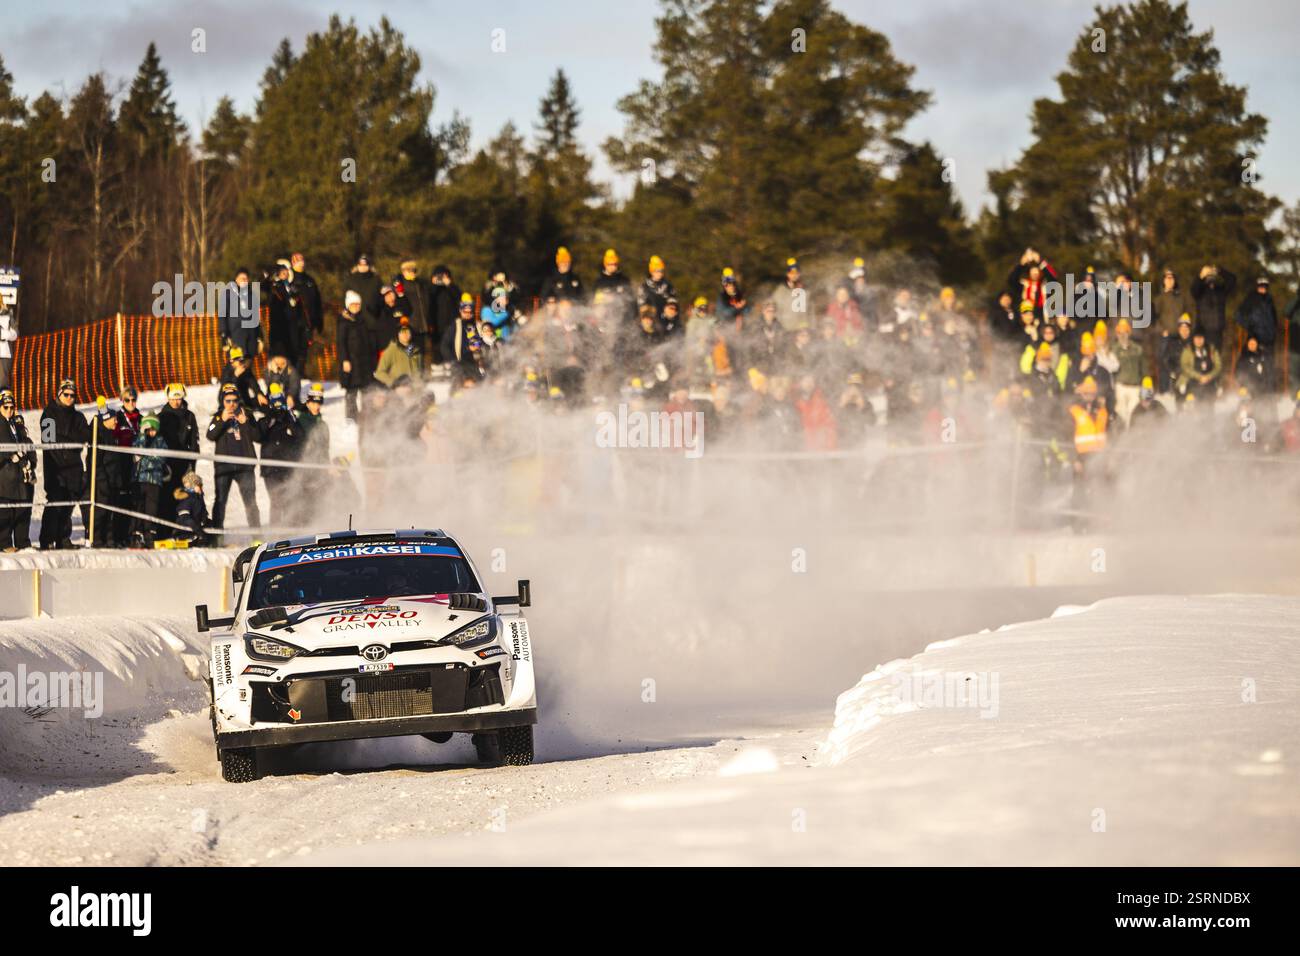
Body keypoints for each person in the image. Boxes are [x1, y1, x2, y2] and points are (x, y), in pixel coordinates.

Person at [39, 379, 90, 549]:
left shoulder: (78, 417)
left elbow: (86, 436)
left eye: (72, 395)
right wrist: (71, 442)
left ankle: (63, 538)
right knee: (55, 502)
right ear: (59, 394)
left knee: (68, 503)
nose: (69, 398)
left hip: (74, 467)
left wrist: (70, 442)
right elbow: (48, 440)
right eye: (66, 394)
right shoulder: (48, 413)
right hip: (55, 466)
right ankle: (46, 539)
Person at [207, 384, 262, 532]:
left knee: (250, 502)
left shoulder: (247, 415)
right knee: (220, 501)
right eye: (228, 401)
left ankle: (256, 536)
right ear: (222, 402)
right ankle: (217, 536)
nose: (231, 404)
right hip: (224, 467)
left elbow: (258, 436)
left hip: (245, 466)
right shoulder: (219, 415)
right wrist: (222, 420)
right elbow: (210, 434)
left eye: (234, 400)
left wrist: (246, 423)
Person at [258, 383, 300, 526]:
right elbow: (258, 436)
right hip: (270, 469)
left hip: (287, 467)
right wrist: (270, 416)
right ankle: (275, 534)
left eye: (279, 403)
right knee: (276, 500)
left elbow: (300, 436)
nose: (278, 408)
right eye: (274, 403)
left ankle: (289, 532)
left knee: (289, 500)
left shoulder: (289, 419)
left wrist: (289, 416)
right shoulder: (266, 420)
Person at [157, 383, 200, 522]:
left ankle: (187, 527)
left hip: (185, 464)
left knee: (187, 496)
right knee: (168, 497)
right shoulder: (162, 417)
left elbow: (194, 442)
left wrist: (192, 466)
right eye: (172, 399)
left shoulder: (190, 416)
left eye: (179, 398)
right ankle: (167, 529)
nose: (176, 402)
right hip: (168, 465)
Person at [0, 389, 36, 551]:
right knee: (6, 510)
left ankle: (23, 541)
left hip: (20, 476)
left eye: (11, 407)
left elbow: (28, 445)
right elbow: (5, 447)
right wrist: (11, 455)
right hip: (5, 475)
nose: (9, 410)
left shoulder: (16, 424)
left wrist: (29, 463)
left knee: (23, 509)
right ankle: (5, 543)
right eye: (5, 407)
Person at [130, 414, 170, 547]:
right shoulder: (140, 439)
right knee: (139, 507)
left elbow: (160, 459)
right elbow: (136, 452)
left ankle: (149, 534)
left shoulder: (161, 441)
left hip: (154, 481)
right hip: (139, 480)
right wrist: (142, 435)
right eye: (148, 429)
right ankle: (137, 534)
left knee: (151, 508)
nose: (151, 432)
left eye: (154, 429)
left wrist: (145, 459)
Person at [337, 290, 376, 421]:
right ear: (348, 305)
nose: (356, 307)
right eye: (353, 305)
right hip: (351, 362)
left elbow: (369, 341)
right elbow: (341, 343)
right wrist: (345, 360)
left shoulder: (363, 320)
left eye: (358, 305)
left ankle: (367, 416)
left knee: (366, 390)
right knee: (351, 392)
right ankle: (351, 418)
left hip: (364, 362)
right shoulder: (343, 321)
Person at [393, 260, 433, 366]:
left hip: (422, 325)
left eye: (413, 270)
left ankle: (422, 375)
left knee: (422, 352)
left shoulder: (420, 284)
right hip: (409, 325)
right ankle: (410, 374)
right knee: (409, 351)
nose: (411, 273)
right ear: (403, 272)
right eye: (408, 270)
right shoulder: (400, 286)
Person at [1190, 263, 1236, 353]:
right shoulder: (1200, 291)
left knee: (1216, 358)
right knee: (1203, 359)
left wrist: (1220, 270)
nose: (1210, 278)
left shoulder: (1221, 290)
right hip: (1203, 331)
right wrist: (1201, 275)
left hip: (1217, 331)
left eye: (1212, 275)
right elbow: (1193, 289)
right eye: (1208, 275)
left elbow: (1232, 280)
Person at [219, 267, 263, 360]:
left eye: (246, 278)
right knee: (237, 363)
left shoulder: (252, 295)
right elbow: (222, 315)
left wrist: (259, 336)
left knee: (249, 362)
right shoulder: (228, 294)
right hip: (235, 335)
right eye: (241, 278)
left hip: (251, 335)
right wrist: (224, 334)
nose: (244, 280)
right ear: (236, 279)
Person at [1233, 276, 1278, 362]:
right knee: (1252, 361)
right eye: (1261, 286)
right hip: (1255, 338)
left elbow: (1274, 318)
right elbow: (1238, 315)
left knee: (1269, 362)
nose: (1263, 288)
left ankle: (1269, 376)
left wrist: (1273, 330)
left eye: (1265, 286)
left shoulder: (1269, 300)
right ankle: (1244, 375)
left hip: (1269, 339)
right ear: (1257, 287)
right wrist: (1249, 327)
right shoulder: (1251, 299)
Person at [1177, 326, 1221, 407]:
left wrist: (1209, 376)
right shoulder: (1188, 350)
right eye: (1196, 338)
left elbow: (1218, 366)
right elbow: (1184, 366)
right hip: (1191, 381)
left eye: (1201, 338)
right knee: (1192, 404)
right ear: (1193, 339)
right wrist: (1199, 377)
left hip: (1209, 382)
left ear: (1204, 339)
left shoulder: (1211, 349)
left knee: (1209, 403)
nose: (1199, 341)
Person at [375, 317, 424, 388]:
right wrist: (394, 383)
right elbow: (379, 373)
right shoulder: (391, 350)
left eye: (407, 332)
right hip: (399, 391)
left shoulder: (416, 349)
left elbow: (420, 371)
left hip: (415, 390)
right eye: (402, 332)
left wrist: (420, 383)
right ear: (397, 335)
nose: (405, 335)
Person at [593, 249, 634, 324]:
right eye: (609, 264)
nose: (612, 266)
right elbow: (595, 301)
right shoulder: (599, 282)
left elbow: (630, 299)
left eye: (614, 264)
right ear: (605, 264)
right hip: (604, 320)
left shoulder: (624, 280)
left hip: (622, 319)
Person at [221, 346, 267, 413]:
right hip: (230, 402)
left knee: (264, 401)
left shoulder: (245, 369)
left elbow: (253, 383)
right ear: (232, 361)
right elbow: (226, 391)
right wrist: (235, 376)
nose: (239, 362)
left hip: (245, 400)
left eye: (241, 359)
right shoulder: (227, 372)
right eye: (236, 359)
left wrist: (259, 394)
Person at [173, 471, 210, 546]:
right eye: (198, 485)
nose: (201, 487)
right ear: (192, 486)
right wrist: (199, 532)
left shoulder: (198, 498)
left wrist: (205, 521)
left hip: (196, 530)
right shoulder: (187, 499)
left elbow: (202, 514)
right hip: (186, 533)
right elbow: (185, 518)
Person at [0, 303, 16, 393]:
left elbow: (15, 334)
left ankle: (3, 404)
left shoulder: (7, 315)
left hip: (3, 355)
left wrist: (3, 334)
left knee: (2, 383)